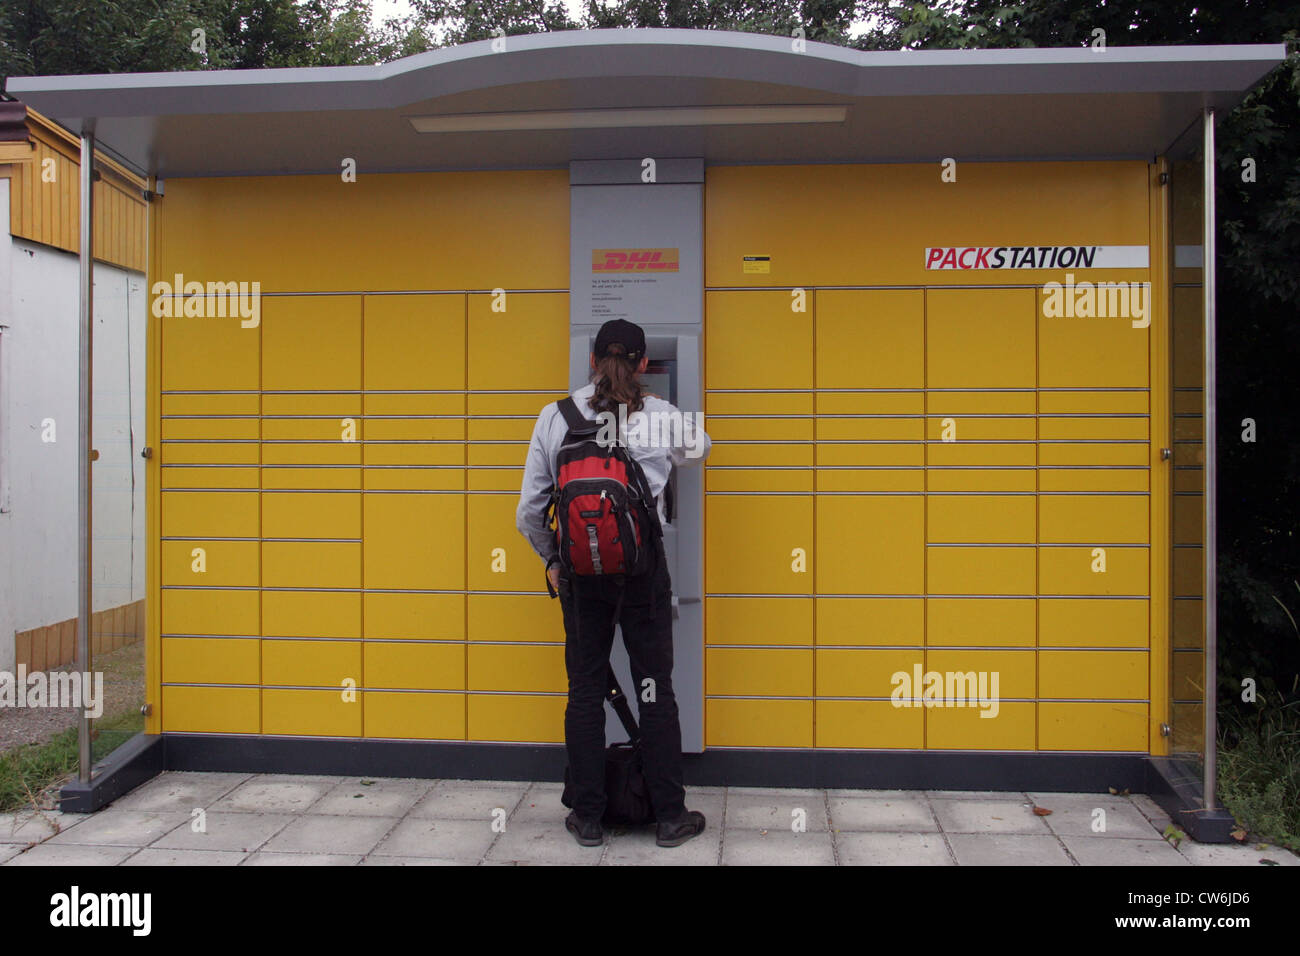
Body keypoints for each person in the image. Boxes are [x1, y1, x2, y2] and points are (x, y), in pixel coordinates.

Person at [516, 318, 711, 847]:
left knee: (584, 692)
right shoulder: (662, 415)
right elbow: (702, 449)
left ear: (591, 363)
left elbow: (529, 511)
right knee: (655, 689)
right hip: (643, 574)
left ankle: (589, 817)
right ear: (646, 364)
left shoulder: (555, 417)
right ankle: (669, 817)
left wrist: (553, 559)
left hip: (580, 578)